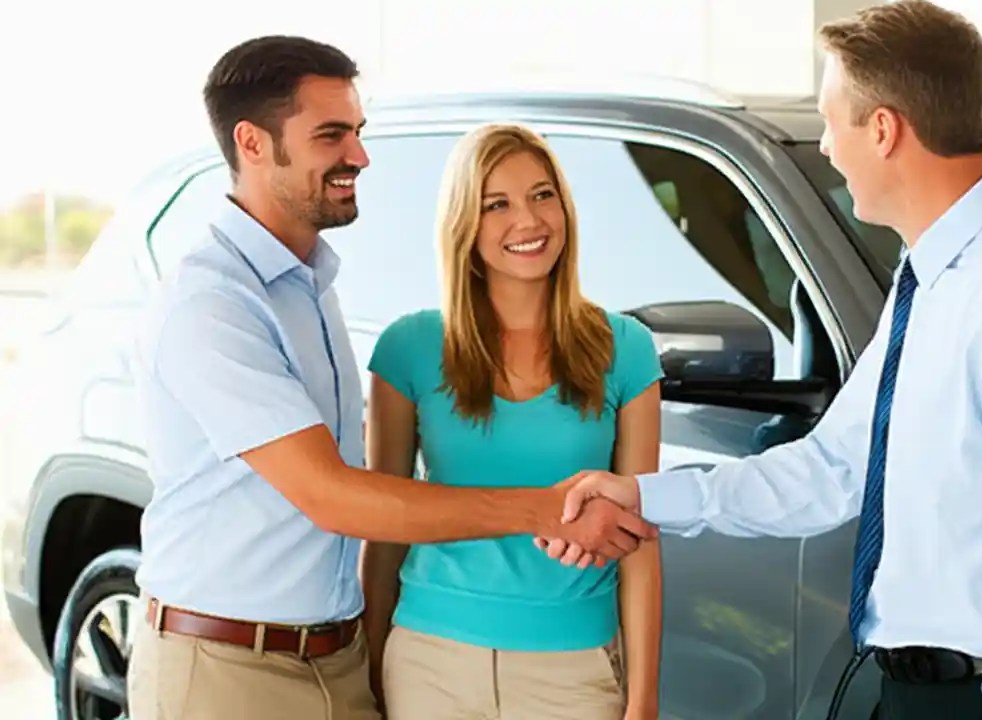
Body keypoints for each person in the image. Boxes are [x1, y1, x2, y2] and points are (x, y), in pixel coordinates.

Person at [543, 2, 982, 719]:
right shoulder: (932, 280)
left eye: (832, 120)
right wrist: (646, 496)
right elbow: (833, 471)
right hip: (914, 693)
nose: (826, 145)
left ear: (883, 129)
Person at [126, 36, 654, 720]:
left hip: (335, 660)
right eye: (331, 135)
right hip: (229, 670)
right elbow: (336, 497)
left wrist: (368, 656)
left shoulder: (308, 284)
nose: (360, 156)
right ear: (253, 144)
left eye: (358, 132)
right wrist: (543, 509)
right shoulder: (213, 302)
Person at [360, 123, 664, 720]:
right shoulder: (409, 348)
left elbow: (640, 539)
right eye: (496, 204)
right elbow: (385, 526)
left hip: (574, 668)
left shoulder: (625, 348)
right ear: (464, 226)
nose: (528, 221)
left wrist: (643, 698)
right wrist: (369, 672)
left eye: (542, 195)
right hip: (429, 661)